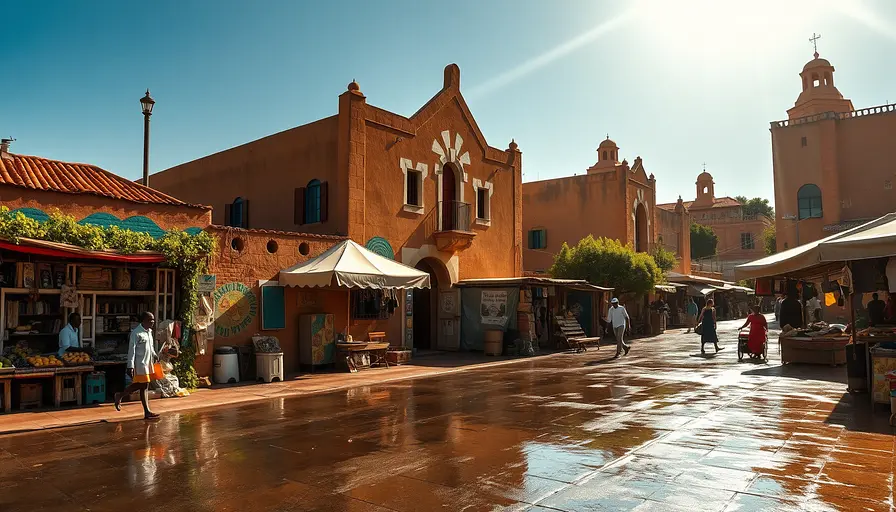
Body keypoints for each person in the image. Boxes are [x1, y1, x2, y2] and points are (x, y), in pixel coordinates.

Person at [114, 312, 160, 420]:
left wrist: (154, 354)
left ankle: (146, 411)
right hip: (139, 364)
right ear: (144, 320)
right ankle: (120, 395)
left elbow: (151, 346)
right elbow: (132, 350)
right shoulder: (136, 333)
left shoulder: (149, 332)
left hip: (148, 363)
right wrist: (130, 366)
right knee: (142, 385)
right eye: (150, 320)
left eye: (153, 320)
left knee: (143, 386)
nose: (152, 322)